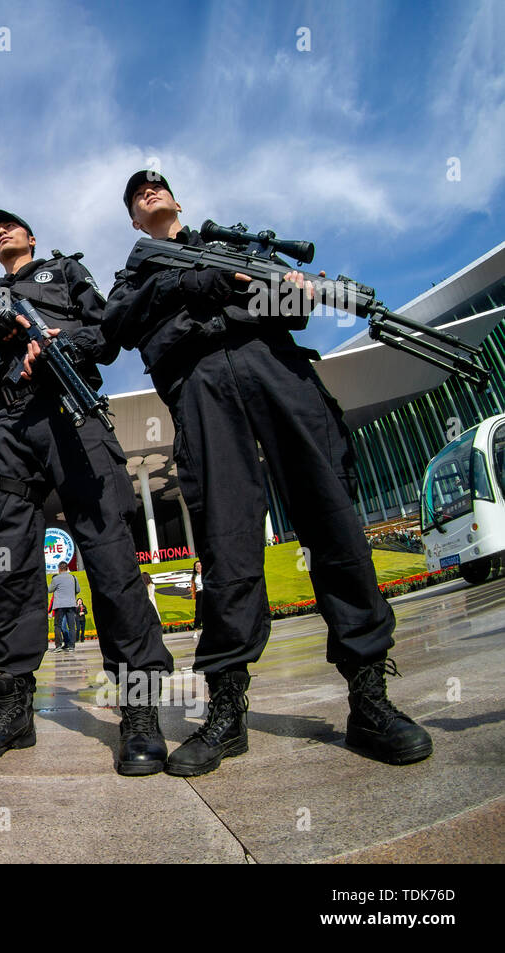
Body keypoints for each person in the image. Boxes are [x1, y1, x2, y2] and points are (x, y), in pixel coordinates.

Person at [105, 170, 432, 775]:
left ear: (178, 199)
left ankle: (369, 700)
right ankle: (227, 713)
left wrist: (298, 292)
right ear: (132, 219)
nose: (148, 191)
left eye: (157, 186)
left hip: (276, 369)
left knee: (333, 523)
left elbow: (288, 311)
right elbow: (116, 327)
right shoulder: (137, 270)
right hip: (200, 387)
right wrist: (189, 282)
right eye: (136, 194)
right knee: (227, 544)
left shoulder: (238, 247)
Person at [0, 209, 175, 775]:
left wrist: (63, 343)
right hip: (10, 429)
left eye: (9, 227)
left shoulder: (67, 272)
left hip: (73, 417)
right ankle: (14, 709)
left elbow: (108, 334)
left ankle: (139, 709)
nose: (0, 234)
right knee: (8, 567)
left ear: (31, 237)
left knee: (109, 556)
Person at [48, 560, 79, 651]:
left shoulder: (56, 578)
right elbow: (78, 590)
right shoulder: (73, 577)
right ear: (67, 568)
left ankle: (58, 646)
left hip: (59, 605)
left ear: (59, 569)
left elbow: (49, 590)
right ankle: (72, 646)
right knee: (72, 626)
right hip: (71, 604)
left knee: (57, 625)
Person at [190, 560, 204, 631]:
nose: (198, 567)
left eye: (199, 565)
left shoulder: (205, 574)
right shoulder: (194, 577)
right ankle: (195, 629)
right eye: (196, 566)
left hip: (206, 593)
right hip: (199, 594)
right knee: (198, 612)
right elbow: (193, 587)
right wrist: (191, 589)